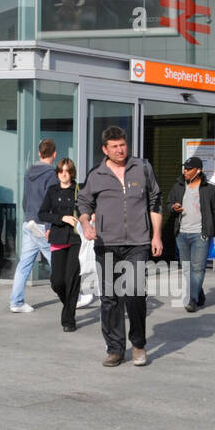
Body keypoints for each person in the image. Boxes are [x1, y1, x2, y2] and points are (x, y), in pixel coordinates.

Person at [78, 126, 162, 368]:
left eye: (122, 145)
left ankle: (138, 344)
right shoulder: (97, 174)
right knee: (110, 298)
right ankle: (115, 348)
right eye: (114, 146)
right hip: (106, 244)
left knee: (135, 293)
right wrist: (85, 224)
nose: (120, 150)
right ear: (105, 149)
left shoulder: (143, 168)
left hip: (137, 242)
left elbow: (155, 201)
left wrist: (156, 236)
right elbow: (83, 203)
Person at [165, 157, 215, 313]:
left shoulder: (210, 189)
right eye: (184, 168)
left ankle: (192, 299)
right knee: (187, 268)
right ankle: (198, 293)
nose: (185, 171)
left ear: (198, 170)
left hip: (201, 234)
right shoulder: (178, 186)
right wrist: (173, 207)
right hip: (182, 234)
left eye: (188, 168)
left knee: (197, 269)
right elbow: (168, 203)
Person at [9, 139, 59, 314]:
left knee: (24, 264)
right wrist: (49, 226)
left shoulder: (29, 172)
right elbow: (50, 203)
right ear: (54, 154)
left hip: (28, 222)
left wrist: (28, 215)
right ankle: (75, 296)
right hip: (42, 225)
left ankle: (16, 302)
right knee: (58, 261)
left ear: (39, 153)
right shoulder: (52, 175)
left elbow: (25, 199)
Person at [38, 159, 83, 331]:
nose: (64, 174)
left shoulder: (80, 189)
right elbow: (42, 213)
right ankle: (70, 305)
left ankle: (68, 320)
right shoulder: (52, 190)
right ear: (57, 173)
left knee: (71, 279)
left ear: (72, 173)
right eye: (61, 171)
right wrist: (61, 218)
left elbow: (89, 208)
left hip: (75, 239)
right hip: (57, 237)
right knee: (57, 282)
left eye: (67, 171)